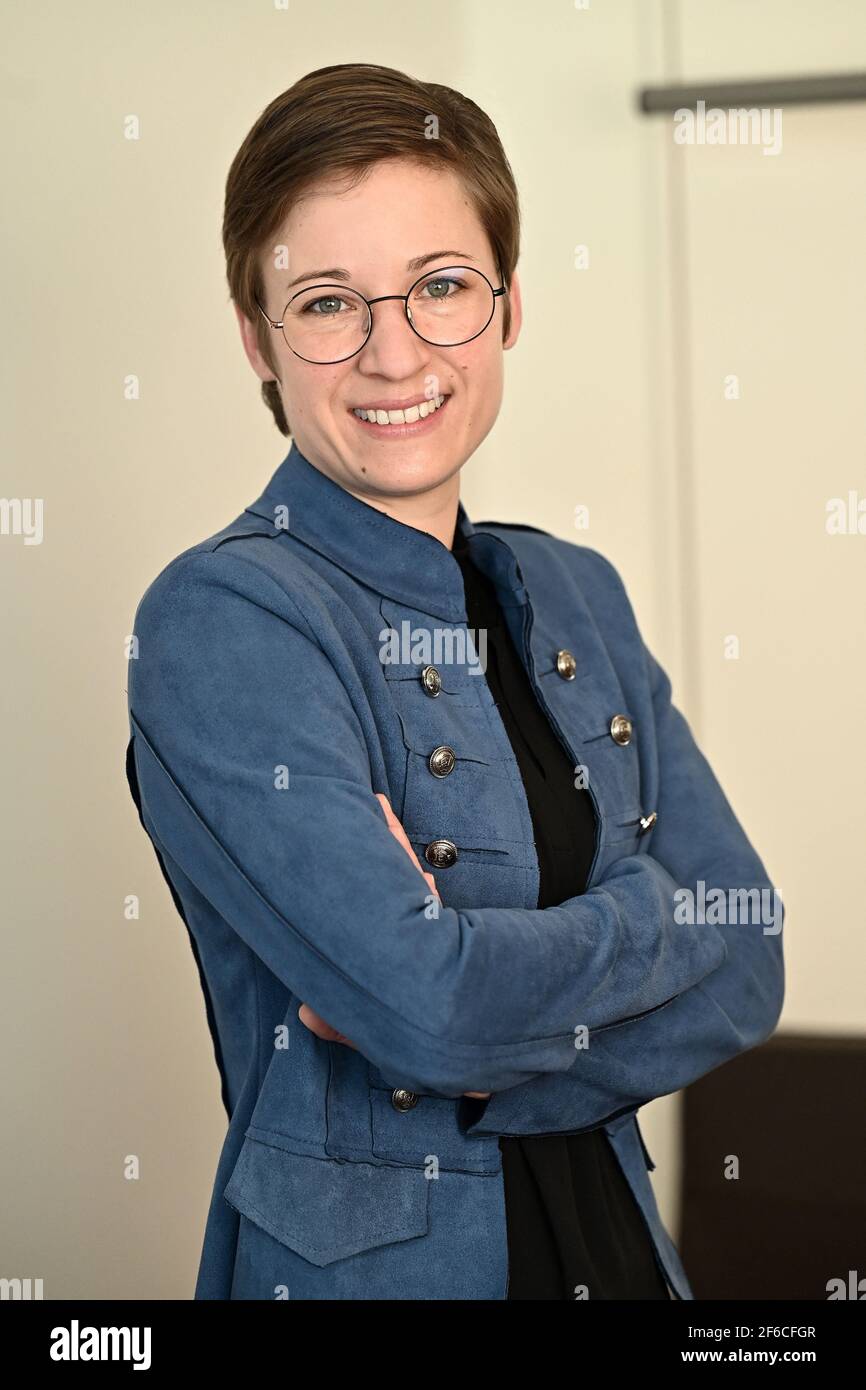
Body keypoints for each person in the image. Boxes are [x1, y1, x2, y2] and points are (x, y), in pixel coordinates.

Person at [125, 62, 784, 1301]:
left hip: (622, 1259)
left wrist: (476, 984)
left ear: (507, 306)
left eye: (439, 286)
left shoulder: (574, 589)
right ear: (256, 336)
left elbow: (746, 952)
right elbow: (431, 1014)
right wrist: (649, 909)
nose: (394, 353)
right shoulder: (225, 618)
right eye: (327, 303)